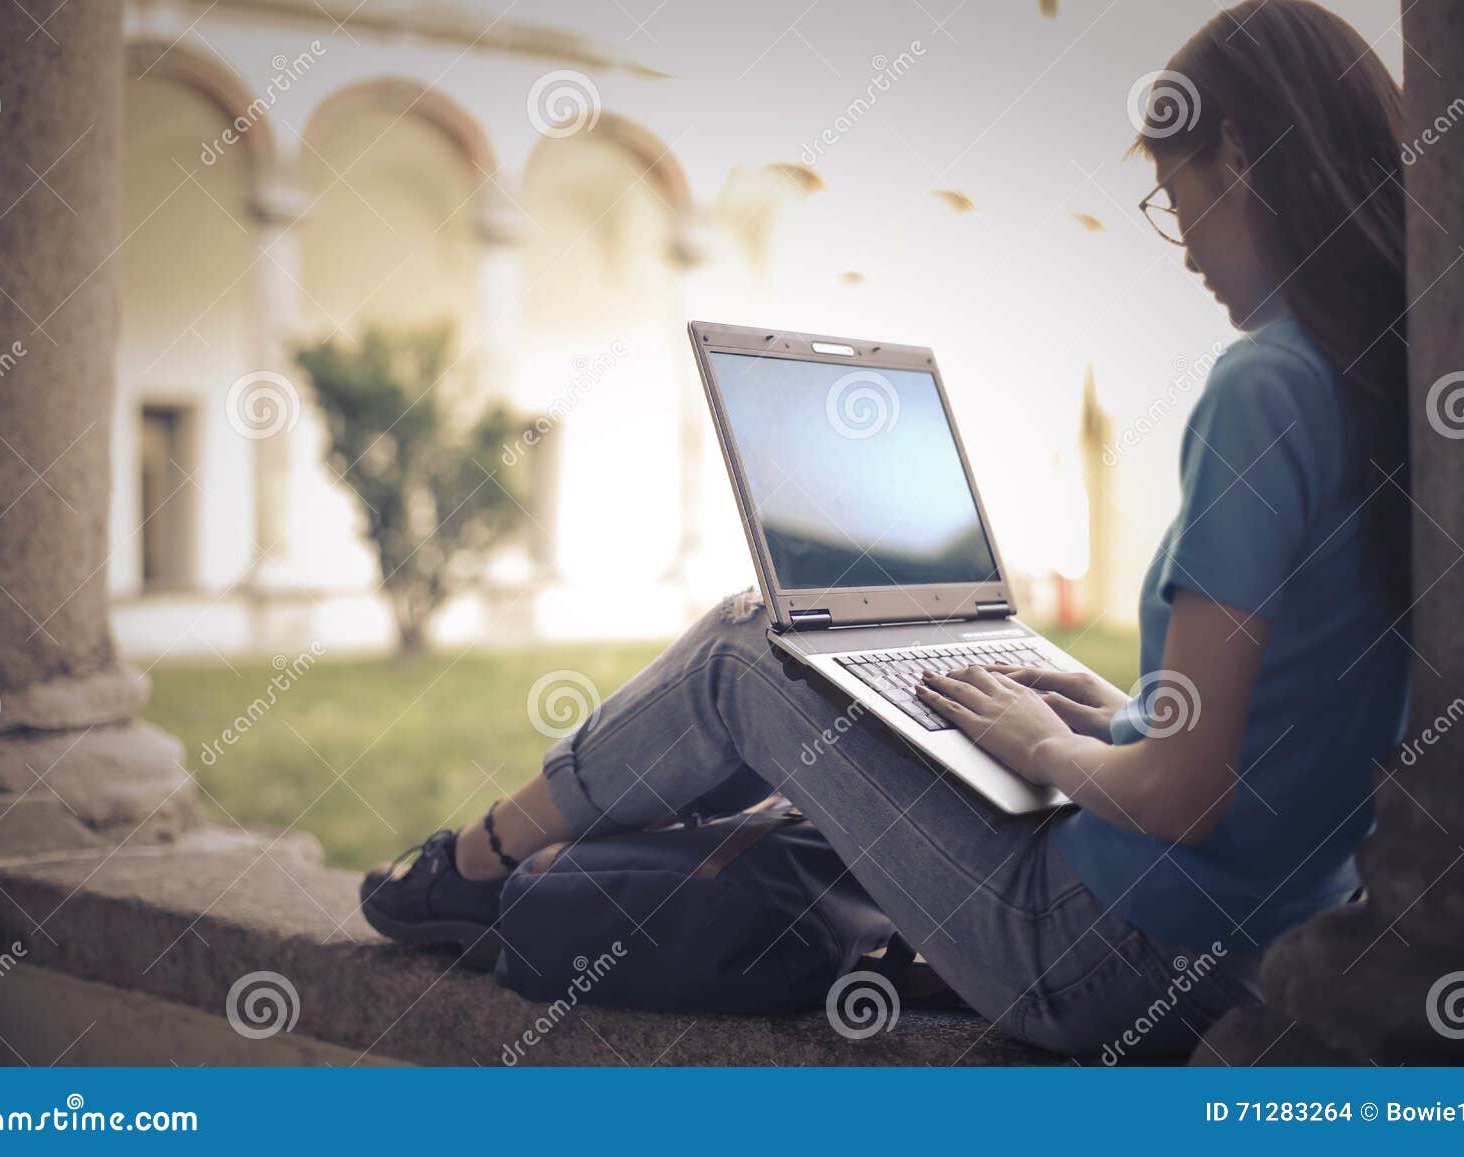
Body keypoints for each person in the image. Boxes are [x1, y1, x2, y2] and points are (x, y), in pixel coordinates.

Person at [360, 0, 1411, 1058]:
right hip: (1264, 938)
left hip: (1101, 952)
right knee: (822, 704)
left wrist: (1043, 744)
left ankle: (478, 861)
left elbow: (1184, 793)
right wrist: (1111, 713)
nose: (1174, 231)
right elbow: (1277, 717)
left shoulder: (1261, 383)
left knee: (742, 647)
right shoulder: (1382, 373)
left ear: (1231, 147)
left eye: (1164, 187)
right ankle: (587, 865)